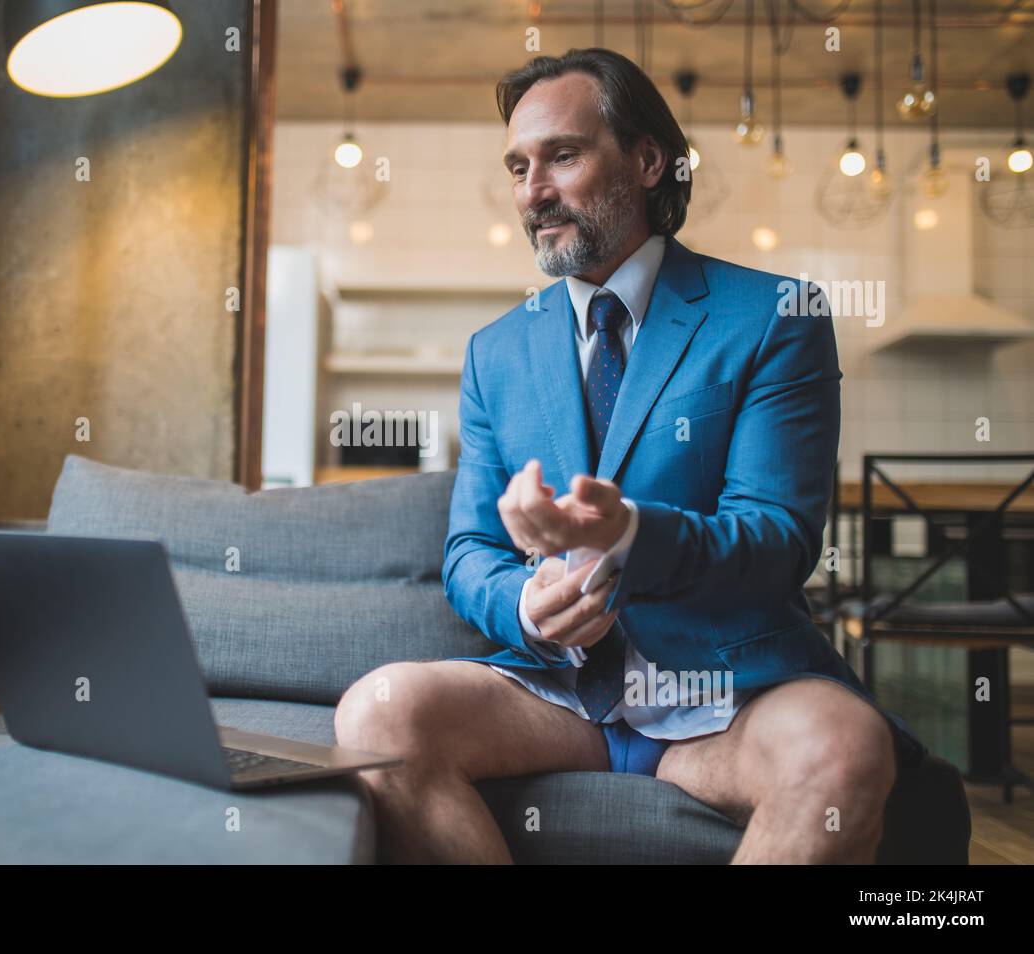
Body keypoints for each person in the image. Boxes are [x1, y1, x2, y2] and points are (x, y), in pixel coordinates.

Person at [333, 47, 924, 864]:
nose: (533, 191)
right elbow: (469, 551)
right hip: (560, 697)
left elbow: (779, 539)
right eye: (518, 167)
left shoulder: (775, 316)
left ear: (648, 162)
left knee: (842, 747)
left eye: (563, 156)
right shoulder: (494, 353)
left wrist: (630, 537)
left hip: (724, 699)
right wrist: (526, 605)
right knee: (377, 713)